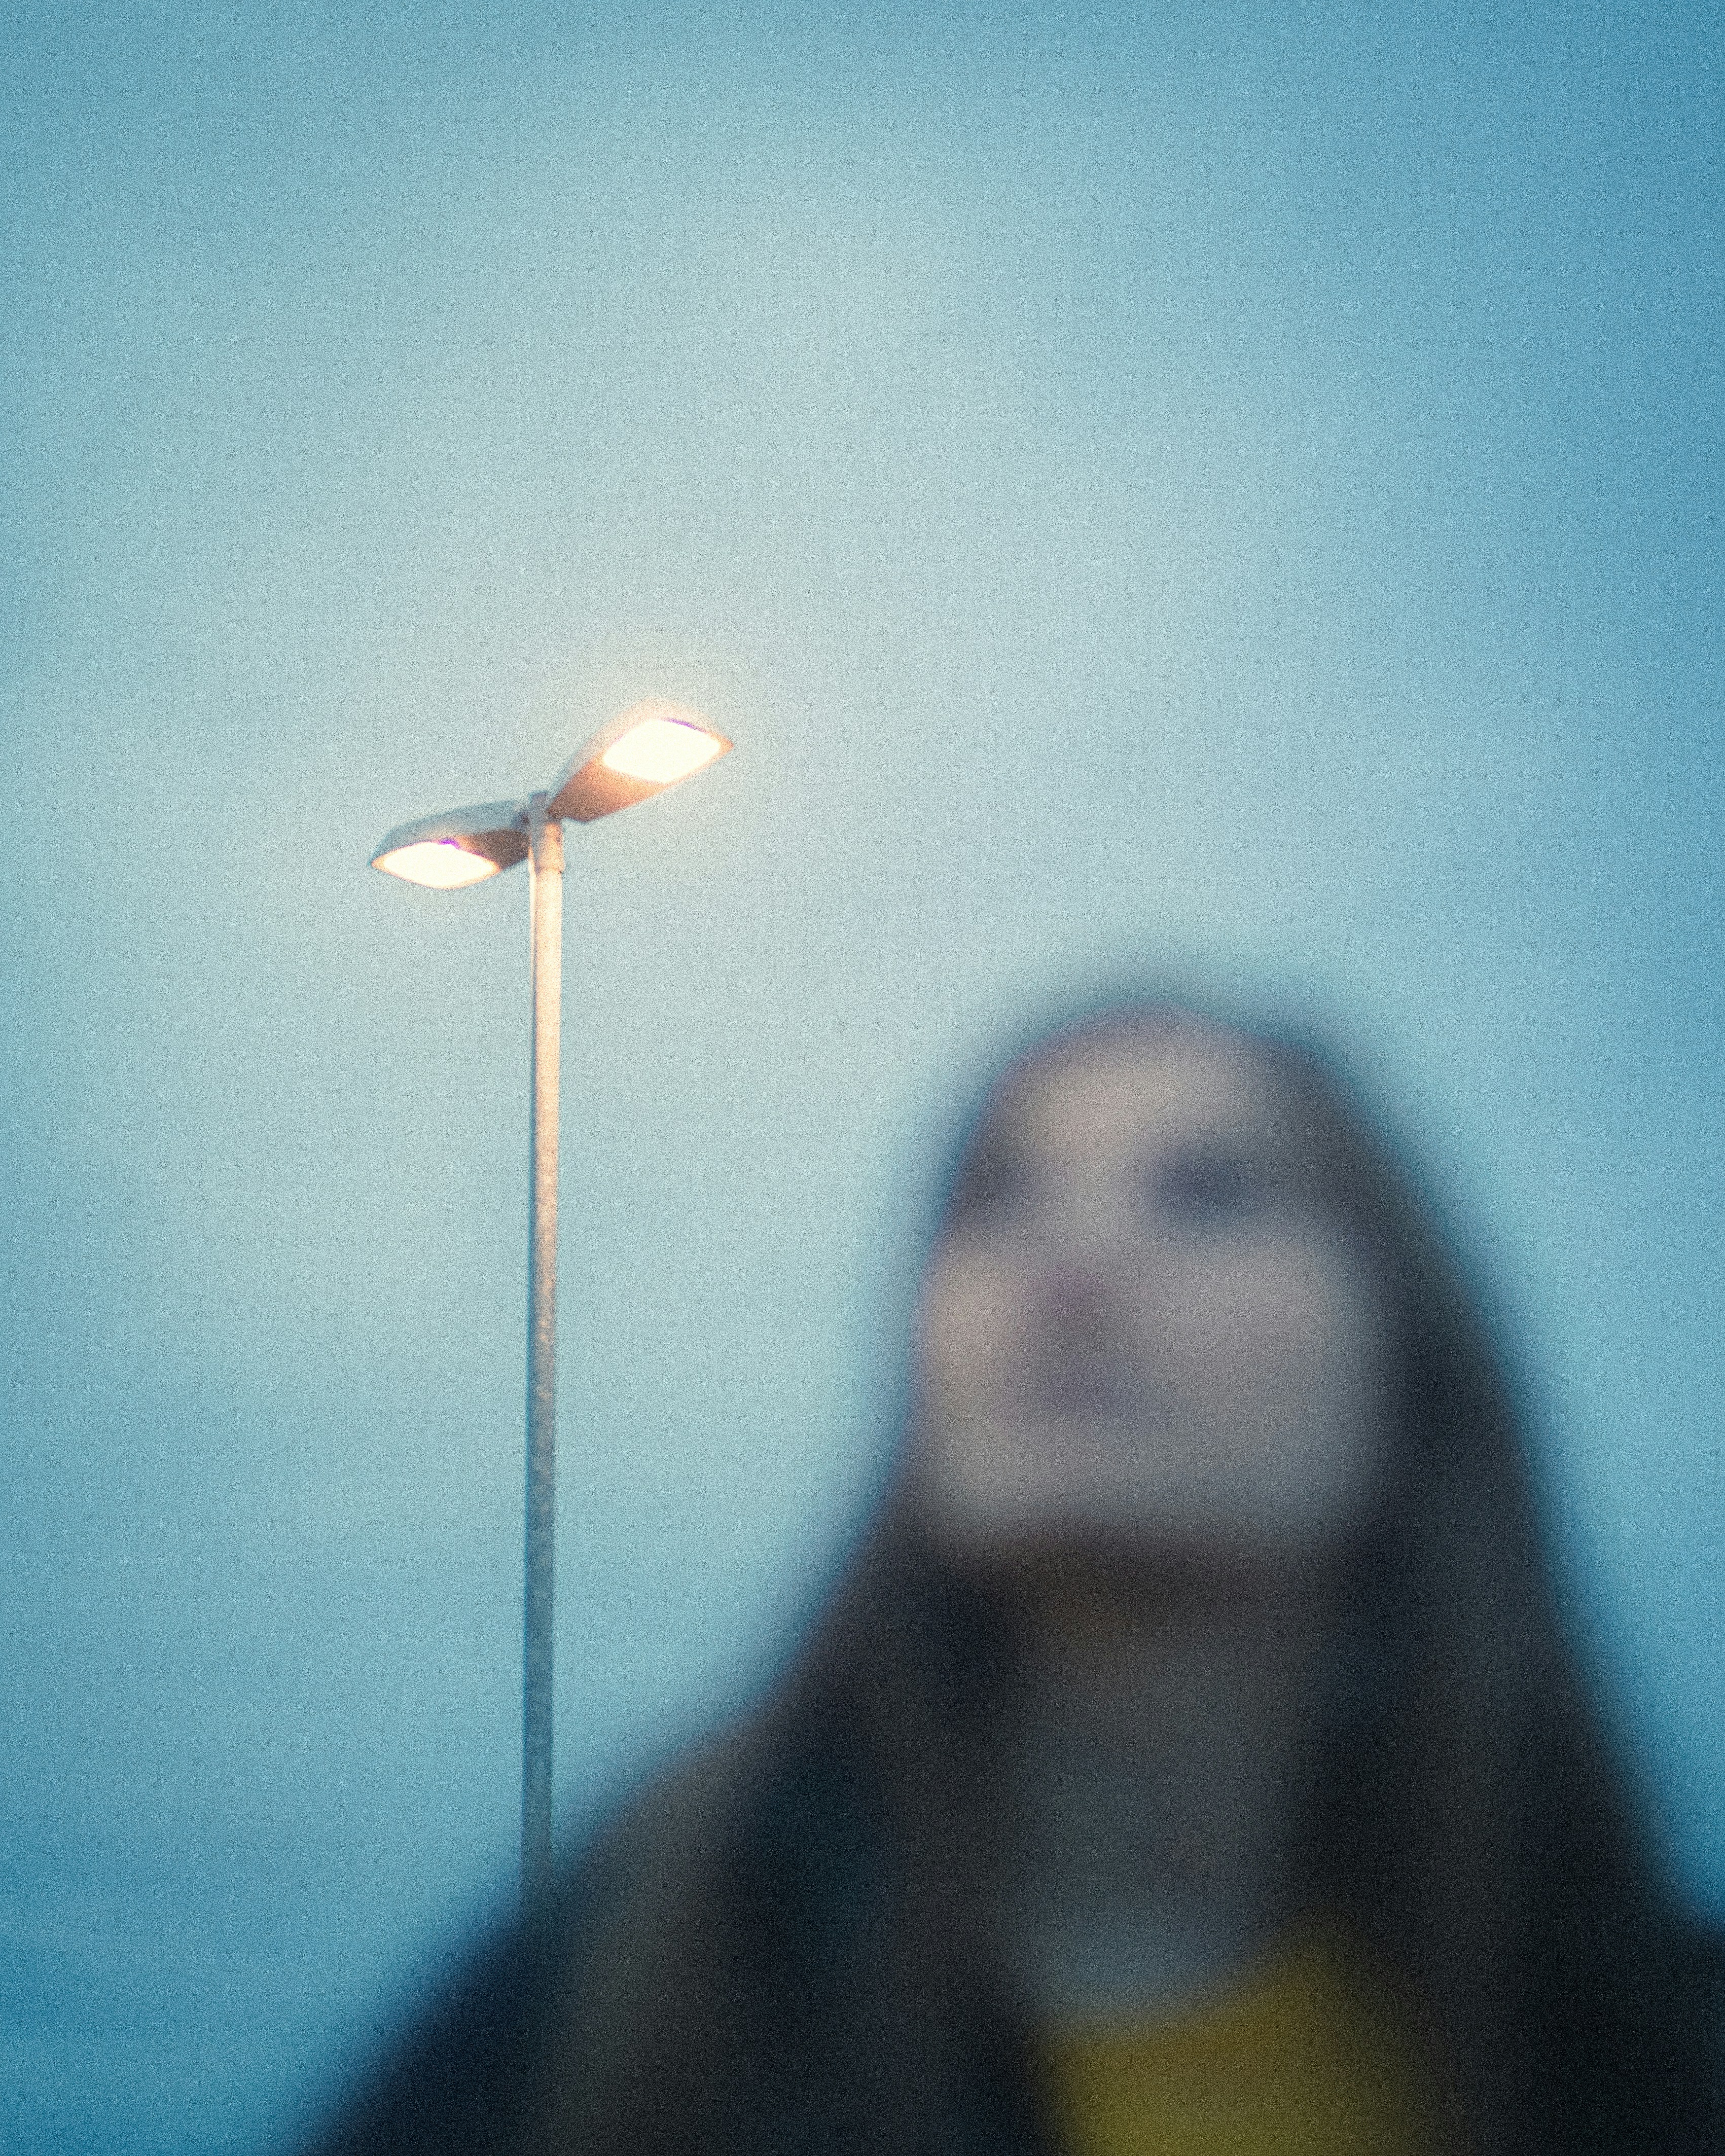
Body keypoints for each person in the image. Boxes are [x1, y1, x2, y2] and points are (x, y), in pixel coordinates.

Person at [307, 996, 1720, 2156]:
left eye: (1208, 1190)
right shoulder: (655, 1969)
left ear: (1404, 1373)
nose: (1070, 1255)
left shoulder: (1632, 2044)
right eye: (995, 1196)